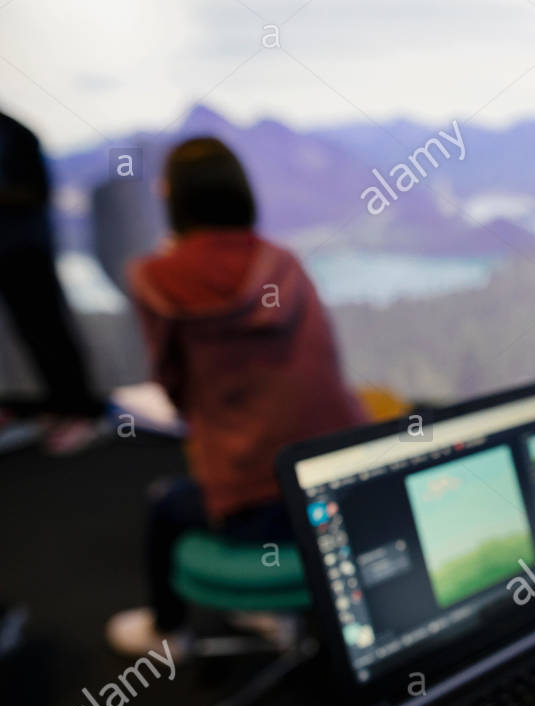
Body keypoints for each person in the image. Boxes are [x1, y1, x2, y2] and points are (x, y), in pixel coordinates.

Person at [106, 137, 367, 656]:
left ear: (172, 198)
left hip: (257, 505)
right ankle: (276, 610)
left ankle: (168, 632)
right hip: (346, 487)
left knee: (166, 505)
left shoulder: (156, 278)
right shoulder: (283, 265)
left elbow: (175, 389)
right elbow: (328, 365)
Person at [0, 111, 104, 453]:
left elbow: (37, 191)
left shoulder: (17, 133)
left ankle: (82, 410)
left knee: (49, 330)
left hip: (27, 249)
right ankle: (60, 407)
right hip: (13, 248)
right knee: (30, 333)